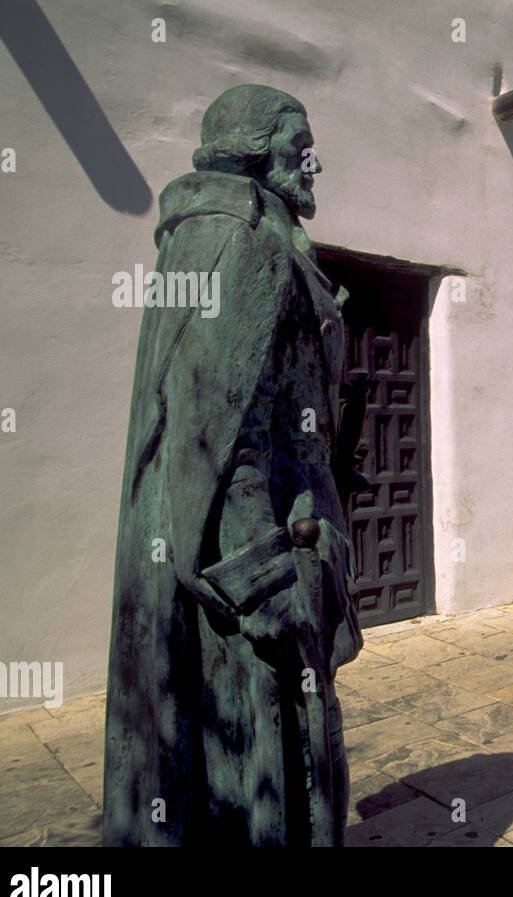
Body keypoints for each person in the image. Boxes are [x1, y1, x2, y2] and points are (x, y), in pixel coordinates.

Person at [104, 85, 365, 845]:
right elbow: (222, 435)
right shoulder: (243, 239)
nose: (313, 161)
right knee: (263, 774)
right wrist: (269, 590)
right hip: (246, 571)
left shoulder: (226, 237)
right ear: (255, 149)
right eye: (299, 144)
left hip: (264, 550)